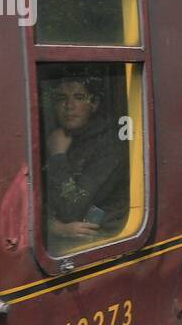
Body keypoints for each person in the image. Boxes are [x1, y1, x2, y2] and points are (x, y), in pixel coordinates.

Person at [43, 73, 128, 249]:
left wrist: (58, 156)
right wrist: (52, 225)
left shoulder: (109, 146)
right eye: (61, 99)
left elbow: (71, 210)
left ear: (94, 104)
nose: (69, 106)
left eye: (79, 97)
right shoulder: (54, 138)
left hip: (103, 243)